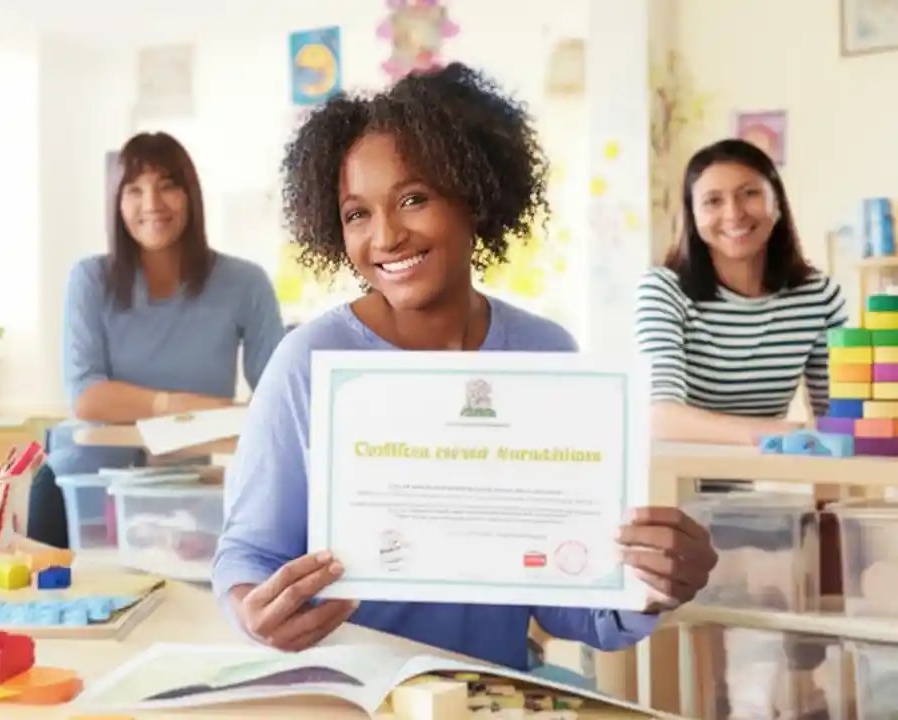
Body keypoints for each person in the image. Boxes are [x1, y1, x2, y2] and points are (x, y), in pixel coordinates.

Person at [210, 63, 718, 669]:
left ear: (473, 197)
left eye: (413, 199)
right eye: (357, 214)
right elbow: (248, 553)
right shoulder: (309, 363)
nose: (387, 236)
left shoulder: (544, 353)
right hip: (345, 688)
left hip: (488, 691)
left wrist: (652, 585)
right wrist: (252, 610)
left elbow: (571, 601)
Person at [28, 132, 285, 547]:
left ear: (191, 195)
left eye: (167, 185)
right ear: (117, 203)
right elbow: (87, 397)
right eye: (134, 190)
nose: (152, 203)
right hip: (81, 489)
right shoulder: (89, 280)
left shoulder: (245, 284)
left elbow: (278, 393)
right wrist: (176, 406)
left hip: (182, 490)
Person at [635, 138, 847, 445]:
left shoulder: (819, 297)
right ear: (693, 215)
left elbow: (838, 419)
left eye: (749, 194)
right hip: (670, 484)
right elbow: (661, 418)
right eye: (713, 201)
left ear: (777, 203)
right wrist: (790, 433)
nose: (734, 214)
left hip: (747, 484)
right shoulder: (664, 290)